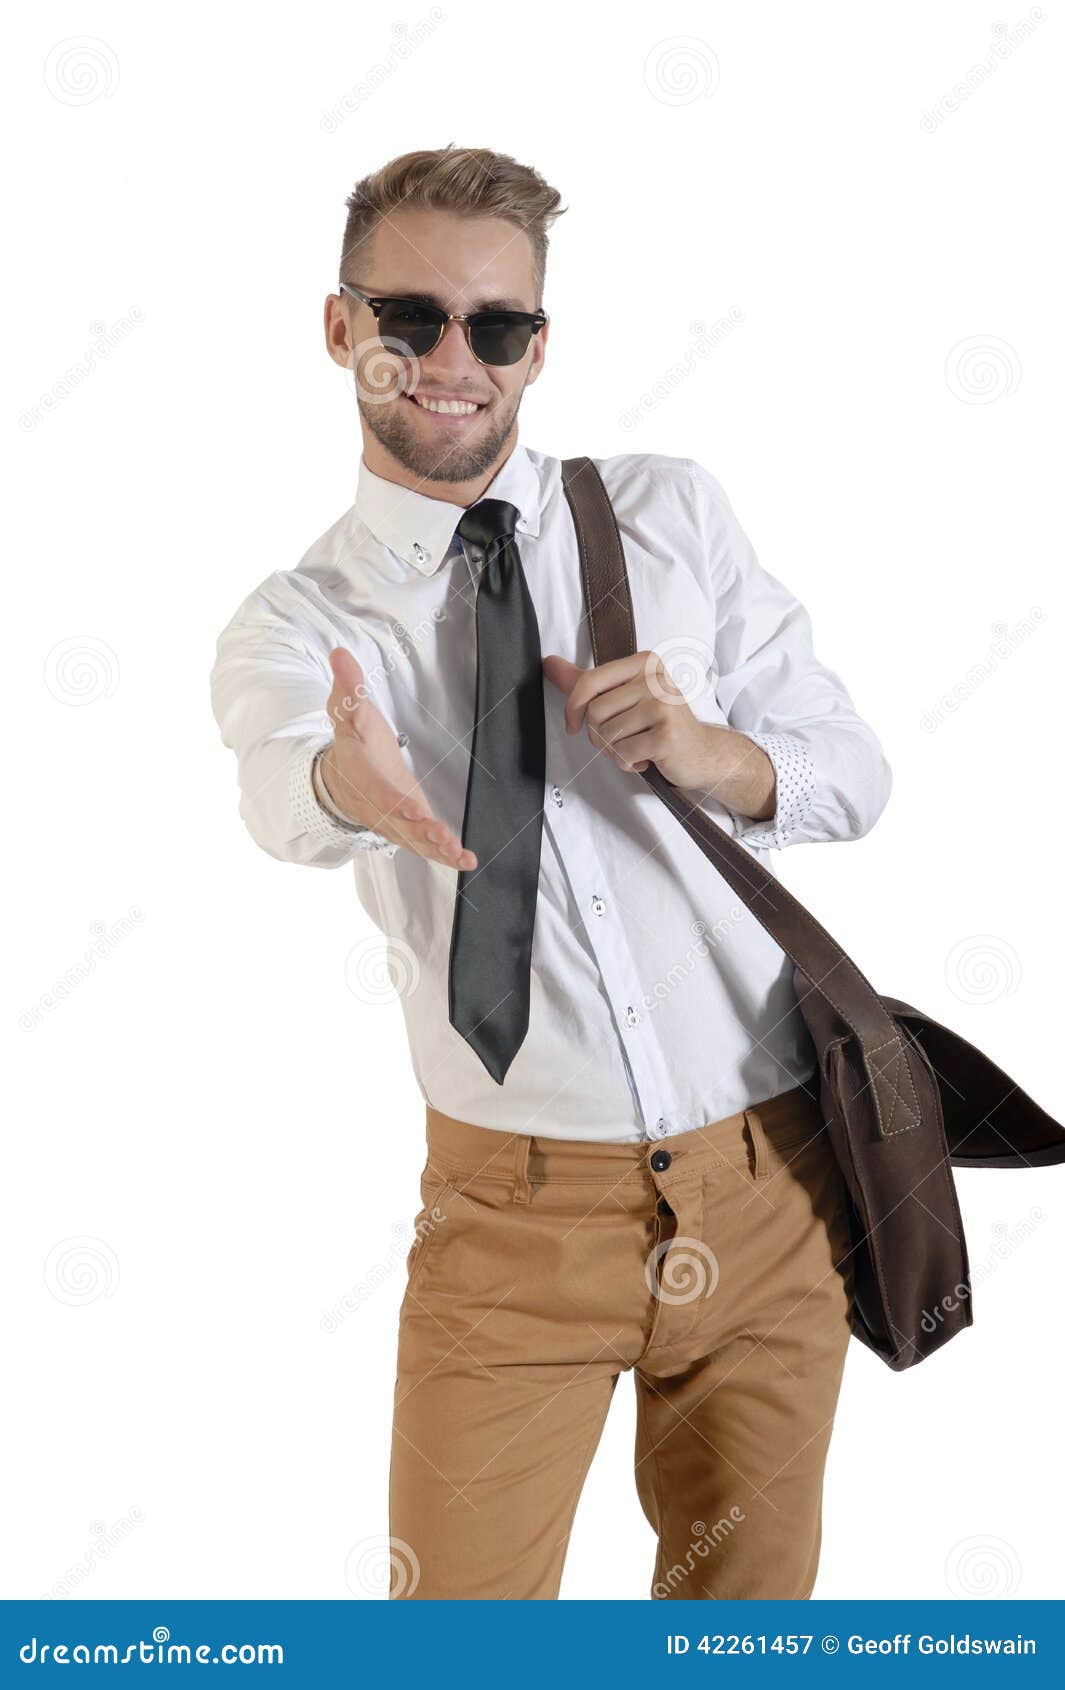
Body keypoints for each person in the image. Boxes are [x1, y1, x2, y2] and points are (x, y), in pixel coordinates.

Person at [210, 145, 893, 1601]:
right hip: (511, 1227)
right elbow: (280, 789)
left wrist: (723, 758)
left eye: (495, 324)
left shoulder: (667, 510)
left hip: (770, 1187)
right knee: (455, 1636)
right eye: (409, 317)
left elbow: (850, 764)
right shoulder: (302, 616)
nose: (451, 360)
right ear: (341, 328)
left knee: (746, 1637)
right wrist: (353, 782)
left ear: (535, 342)